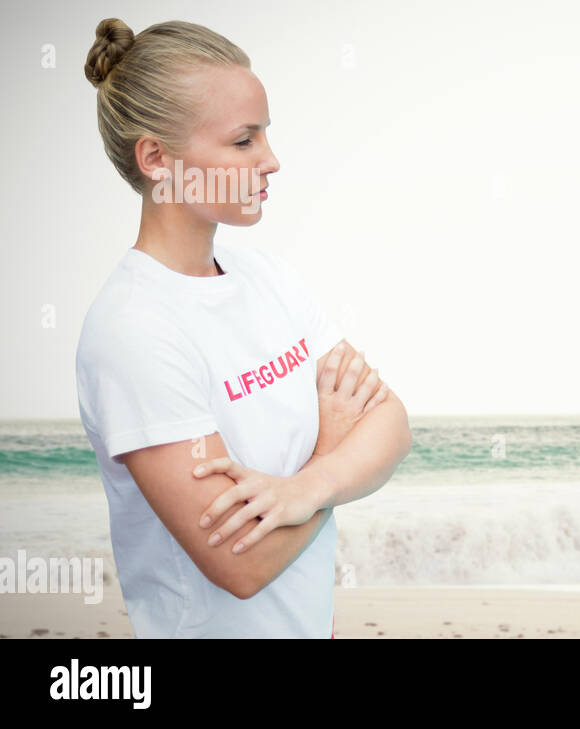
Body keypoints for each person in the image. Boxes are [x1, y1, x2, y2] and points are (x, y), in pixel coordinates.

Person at [75, 18, 412, 638]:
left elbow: (390, 423)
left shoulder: (263, 276)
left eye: (266, 135)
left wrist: (307, 486)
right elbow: (240, 562)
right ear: (156, 158)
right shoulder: (133, 331)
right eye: (242, 141)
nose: (272, 161)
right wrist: (332, 455)